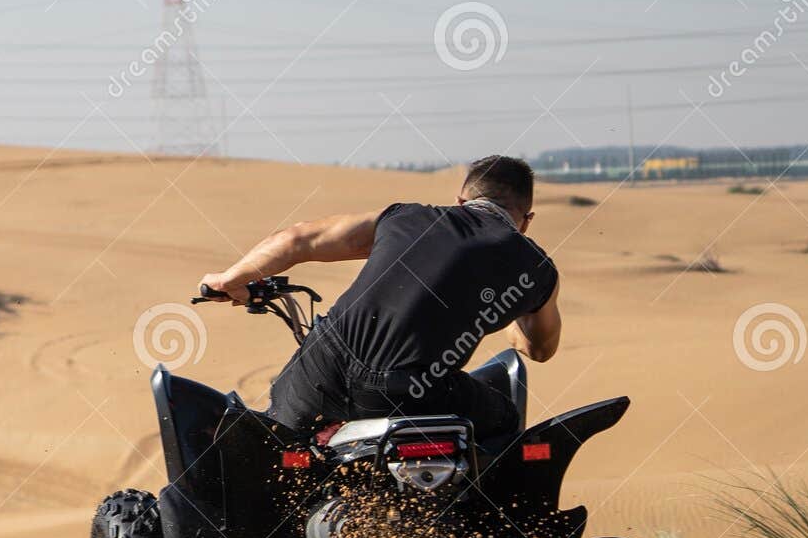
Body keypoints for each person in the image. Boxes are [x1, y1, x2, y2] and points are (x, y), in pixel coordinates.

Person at [198, 155, 562, 438]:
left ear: (460, 200)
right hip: (412, 393)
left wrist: (231, 277)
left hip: (324, 369)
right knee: (503, 418)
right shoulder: (537, 268)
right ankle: (492, 526)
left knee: (277, 445)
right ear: (526, 220)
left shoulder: (407, 218)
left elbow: (299, 240)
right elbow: (540, 349)